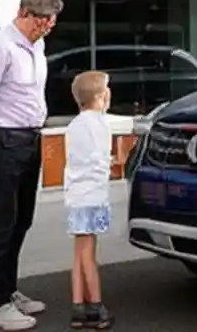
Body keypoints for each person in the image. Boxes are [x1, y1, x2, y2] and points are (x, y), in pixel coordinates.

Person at [0, 0, 64, 331]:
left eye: (51, 23)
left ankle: (8, 291)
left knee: (22, 220)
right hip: (3, 141)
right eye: (42, 21)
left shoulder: (37, 47)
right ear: (24, 13)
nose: (47, 27)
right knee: (2, 224)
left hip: (29, 139)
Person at [64, 71, 115, 329]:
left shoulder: (73, 126)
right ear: (101, 95)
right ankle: (96, 306)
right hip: (92, 197)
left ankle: (78, 307)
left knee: (78, 253)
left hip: (75, 197)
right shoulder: (102, 125)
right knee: (89, 254)